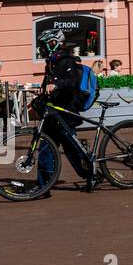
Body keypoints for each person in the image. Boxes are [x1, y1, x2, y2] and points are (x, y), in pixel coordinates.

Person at [33, 40, 93, 193]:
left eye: (44, 45)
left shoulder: (67, 60)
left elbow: (71, 82)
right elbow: (47, 83)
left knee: (72, 148)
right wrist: (41, 90)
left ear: (52, 45)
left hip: (65, 110)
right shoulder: (51, 62)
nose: (41, 48)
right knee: (46, 147)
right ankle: (43, 185)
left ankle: (91, 173)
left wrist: (56, 85)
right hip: (53, 111)